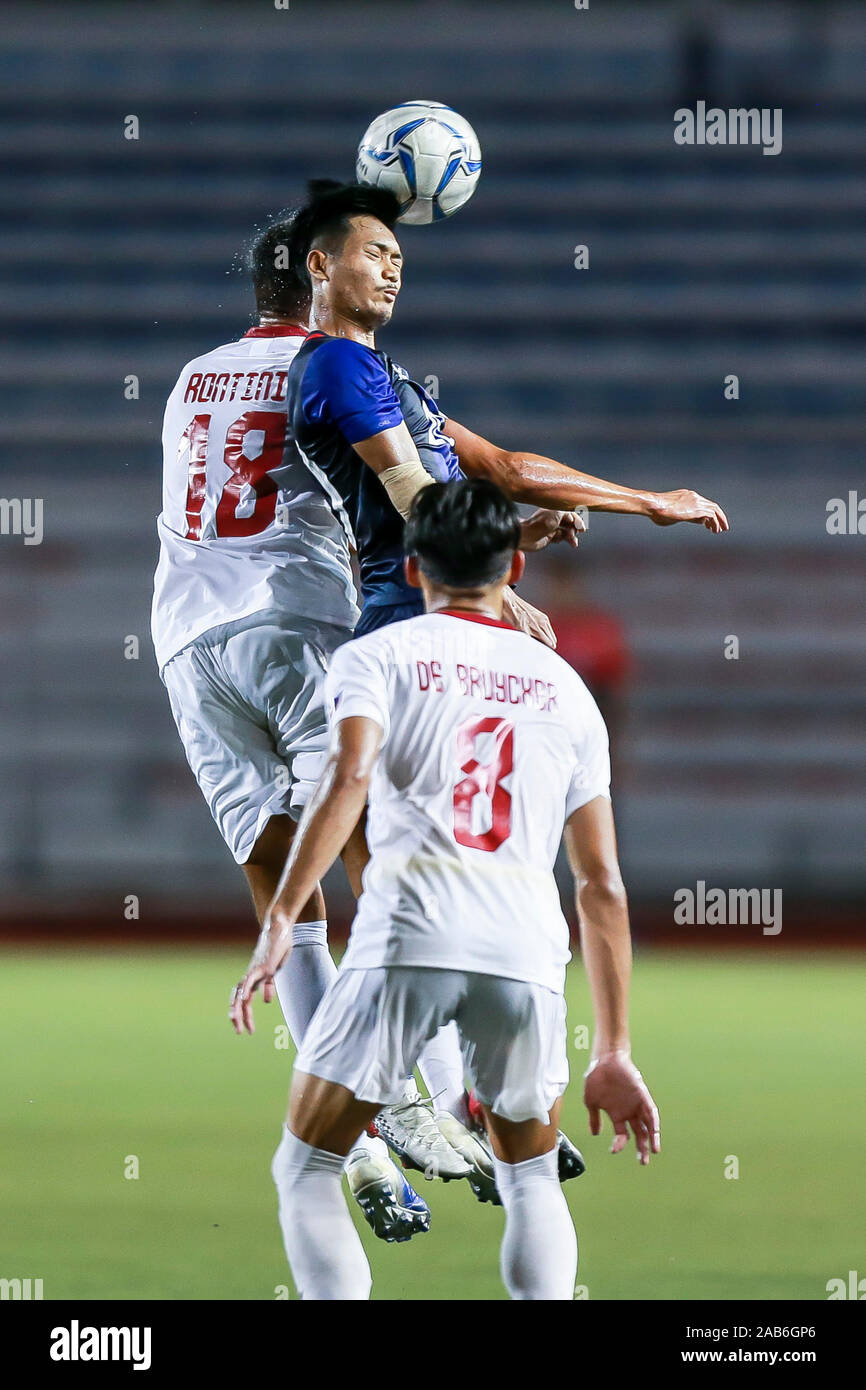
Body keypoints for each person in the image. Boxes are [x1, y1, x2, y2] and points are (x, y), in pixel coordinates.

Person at [230, 478, 661, 1301]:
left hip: (409, 937)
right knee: (530, 1174)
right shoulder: (567, 690)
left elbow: (348, 777)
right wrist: (613, 1050)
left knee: (309, 1164)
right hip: (525, 948)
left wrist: (285, 913)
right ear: (515, 570)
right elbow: (601, 884)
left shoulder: (375, 658)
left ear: (413, 564)